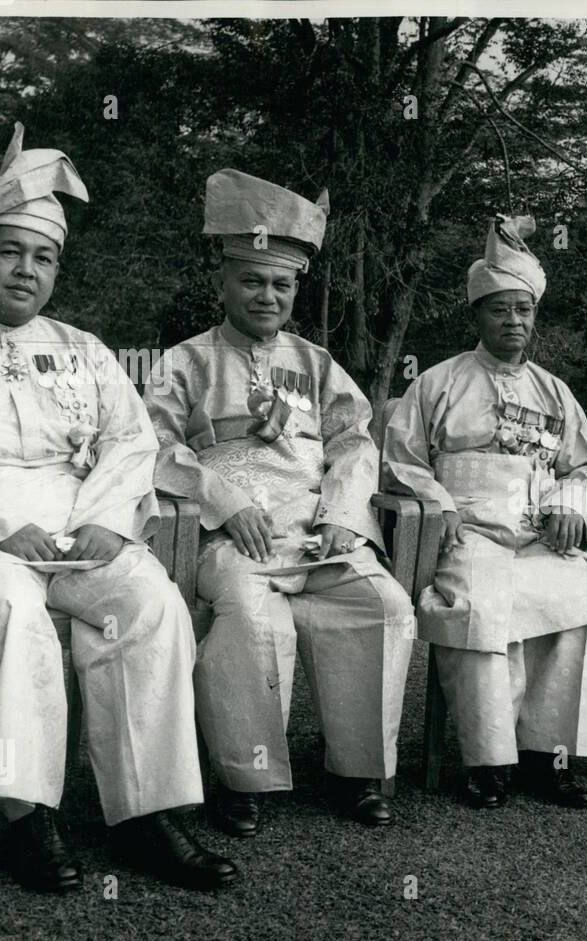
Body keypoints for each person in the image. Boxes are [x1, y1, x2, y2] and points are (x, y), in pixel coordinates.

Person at [0, 122, 237, 893]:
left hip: (80, 533)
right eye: (9, 251)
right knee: (7, 609)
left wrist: (106, 521)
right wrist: (2, 528)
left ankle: (145, 814)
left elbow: (131, 442)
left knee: (150, 600)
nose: (27, 270)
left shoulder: (83, 347)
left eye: (44, 258)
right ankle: (27, 815)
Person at [145, 169, 414, 834]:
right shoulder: (183, 362)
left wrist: (346, 519)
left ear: (296, 290)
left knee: (383, 604)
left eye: (281, 284)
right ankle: (244, 775)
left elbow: (356, 443)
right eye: (253, 281)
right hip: (233, 534)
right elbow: (150, 447)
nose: (267, 295)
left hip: (317, 532)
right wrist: (224, 501)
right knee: (249, 615)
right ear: (225, 284)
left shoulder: (318, 363)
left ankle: (356, 770)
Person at [383, 215, 587, 810]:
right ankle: (489, 762)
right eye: (500, 310)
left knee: (585, 603)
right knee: (480, 607)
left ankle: (552, 759)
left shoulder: (553, 390)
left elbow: (585, 468)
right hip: (467, 531)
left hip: (538, 531)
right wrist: (439, 504)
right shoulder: (437, 384)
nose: (514, 322)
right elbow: (402, 462)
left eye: (524, 310)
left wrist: (569, 503)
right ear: (477, 315)